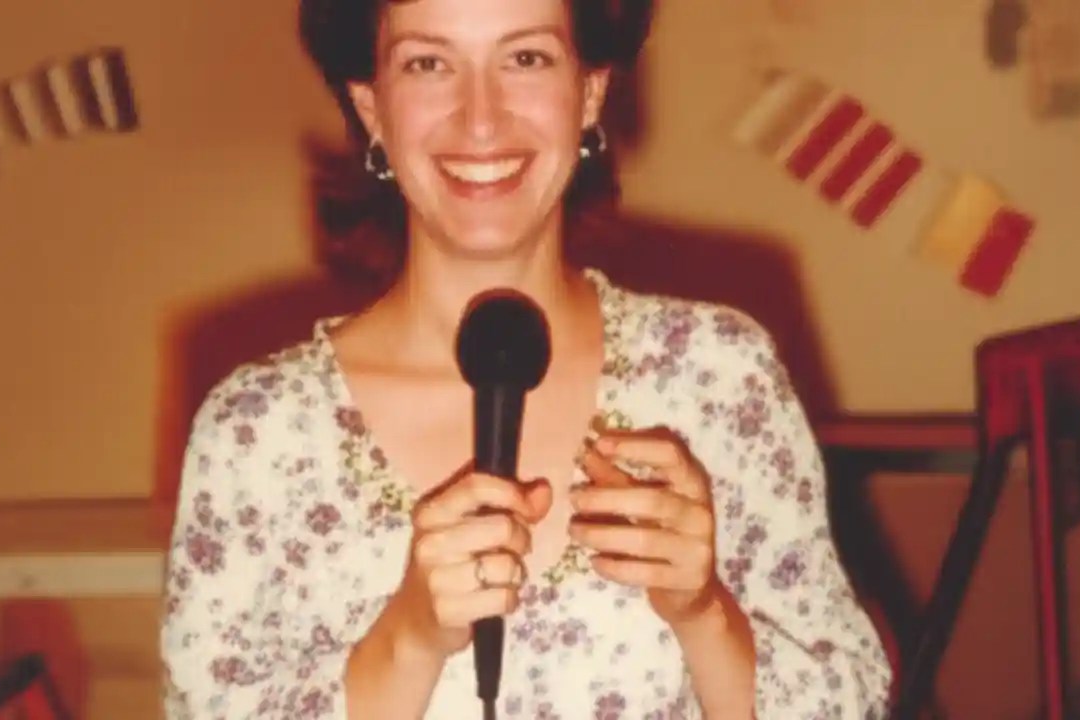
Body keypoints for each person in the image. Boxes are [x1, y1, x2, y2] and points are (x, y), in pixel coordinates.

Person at [160, 0, 893, 717]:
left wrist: (705, 613)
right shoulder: (255, 434)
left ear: (591, 92)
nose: (481, 118)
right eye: (428, 63)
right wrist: (407, 639)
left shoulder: (720, 375)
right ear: (372, 108)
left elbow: (849, 704)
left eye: (526, 58)